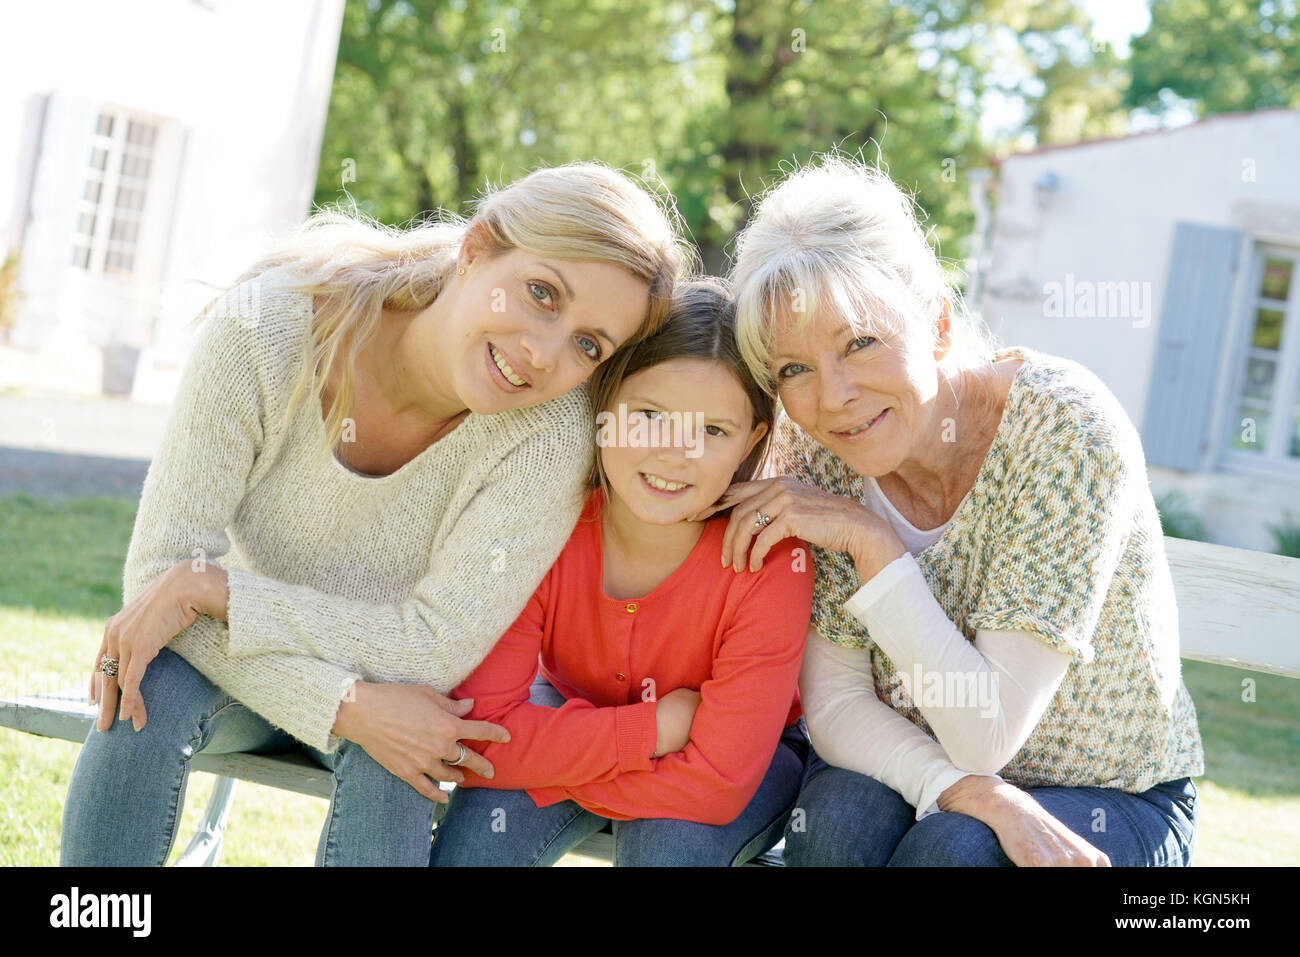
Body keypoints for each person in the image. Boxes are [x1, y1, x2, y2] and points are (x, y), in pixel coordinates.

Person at [61, 161, 691, 866]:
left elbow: (432, 648)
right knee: (146, 675)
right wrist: (344, 703)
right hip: (240, 656)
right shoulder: (271, 325)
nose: (543, 355)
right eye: (542, 293)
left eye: (588, 344)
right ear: (478, 247)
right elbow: (156, 581)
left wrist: (216, 591)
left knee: (406, 747)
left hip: (379, 678)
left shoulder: (548, 436)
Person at [698, 153, 1203, 867]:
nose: (834, 395)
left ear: (936, 323)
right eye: (794, 369)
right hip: (918, 757)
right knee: (834, 830)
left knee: (952, 854)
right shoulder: (816, 451)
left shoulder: (1064, 430)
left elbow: (986, 734)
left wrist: (871, 542)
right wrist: (964, 788)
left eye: (860, 343)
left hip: (1109, 788)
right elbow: (837, 704)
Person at [426, 278, 813, 867]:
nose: (674, 454)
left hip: (741, 756)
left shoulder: (769, 557)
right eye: (650, 416)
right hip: (578, 708)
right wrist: (652, 730)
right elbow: (484, 736)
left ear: (751, 441)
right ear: (604, 409)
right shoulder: (547, 518)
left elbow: (716, 782)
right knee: (479, 835)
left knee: (668, 842)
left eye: (713, 431)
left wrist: (545, 764)